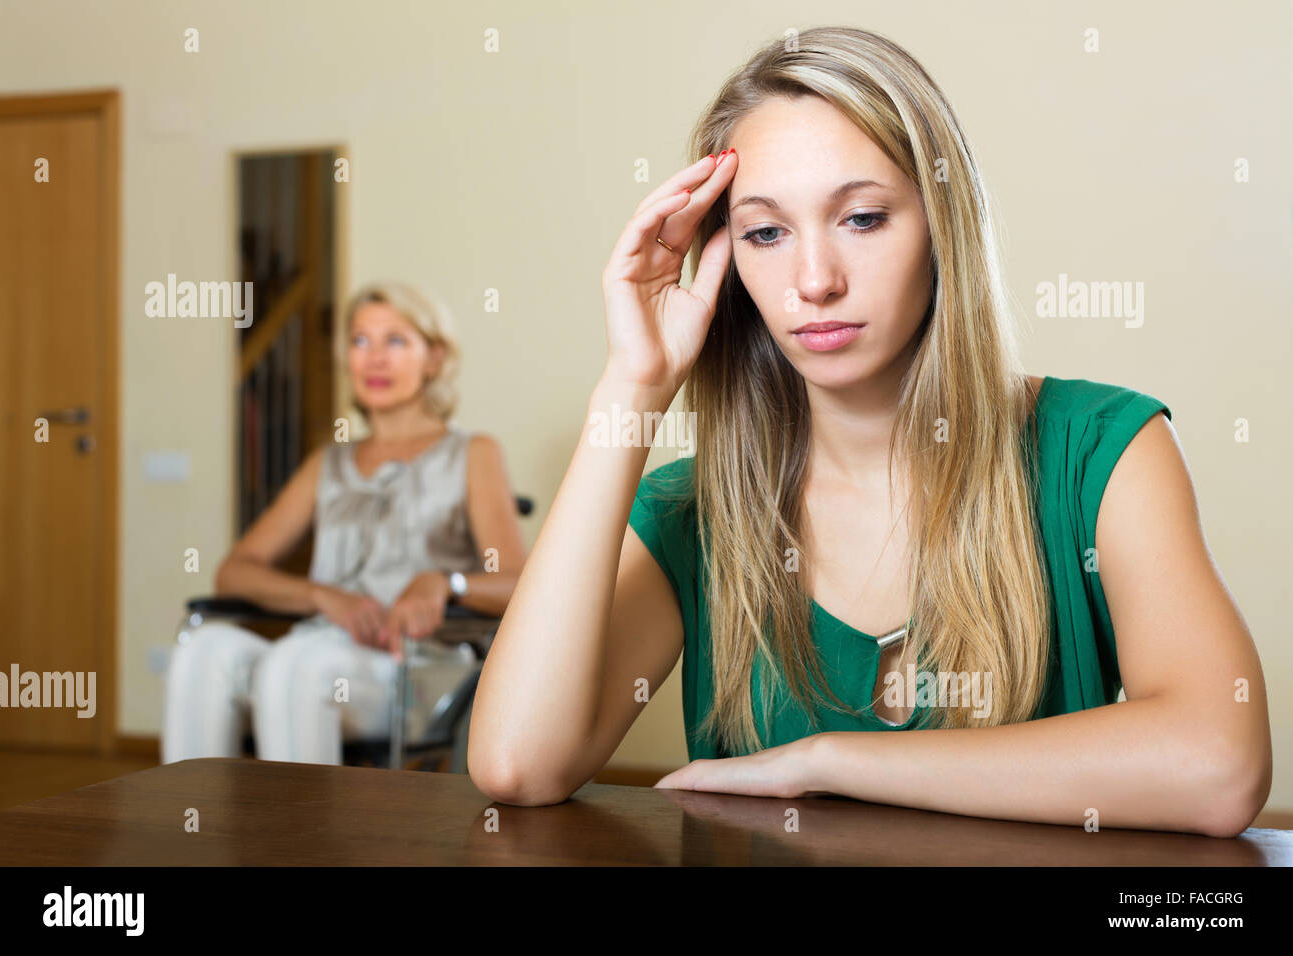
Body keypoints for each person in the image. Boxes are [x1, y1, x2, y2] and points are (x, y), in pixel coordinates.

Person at [468, 26, 1271, 836]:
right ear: (726, 260)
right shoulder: (689, 513)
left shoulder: (1101, 448)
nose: (813, 281)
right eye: (766, 233)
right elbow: (516, 765)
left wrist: (830, 763)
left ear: (941, 223)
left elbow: (1218, 766)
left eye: (861, 218)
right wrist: (633, 386)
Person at [162, 281, 526, 765]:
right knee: (203, 649)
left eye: (395, 340)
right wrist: (321, 596)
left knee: (295, 666)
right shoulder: (327, 465)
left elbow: (521, 584)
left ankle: (305, 843)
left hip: (417, 670)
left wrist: (445, 583)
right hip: (316, 649)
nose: (374, 358)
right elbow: (235, 571)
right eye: (360, 341)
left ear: (434, 358)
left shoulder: (473, 454)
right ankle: (194, 834)